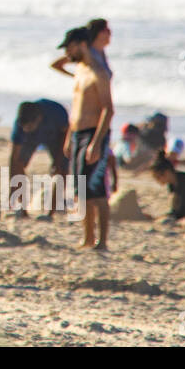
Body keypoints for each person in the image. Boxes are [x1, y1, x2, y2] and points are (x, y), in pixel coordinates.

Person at [59, 27, 114, 250]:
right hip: (77, 134)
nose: (67, 53)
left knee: (97, 190)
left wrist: (96, 143)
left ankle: (102, 241)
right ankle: (87, 238)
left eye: (70, 47)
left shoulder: (98, 73)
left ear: (82, 45)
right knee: (80, 190)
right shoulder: (81, 69)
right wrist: (69, 137)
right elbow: (76, 107)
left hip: (94, 134)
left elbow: (108, 110)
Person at [8, 99, 70, 220]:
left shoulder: (57, 112)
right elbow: (14, 157)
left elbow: (66, 133)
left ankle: (51, 213)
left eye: (29, 127)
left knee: (62, 169)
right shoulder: (21, 124)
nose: (26, 129)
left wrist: (57, 161)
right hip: (31, 139)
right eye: (24, 128)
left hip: (57, 136)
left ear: (39, 118)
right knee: (18, 164)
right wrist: (12, 188)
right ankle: (23, 209)